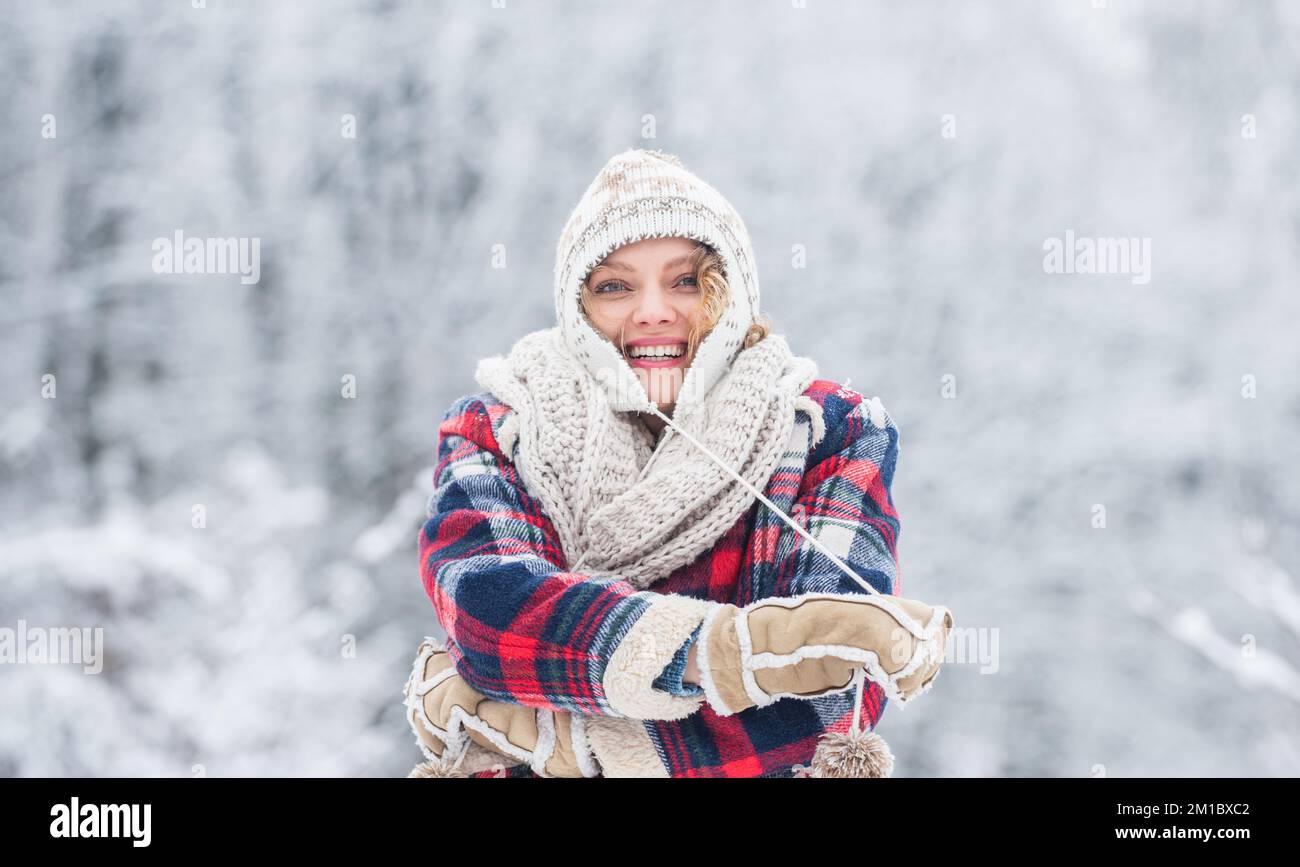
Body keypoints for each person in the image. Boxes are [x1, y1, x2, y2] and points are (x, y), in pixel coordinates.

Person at [402, 148, 954, 778]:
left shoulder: (828, 430)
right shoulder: (501, 428)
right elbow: (490, 618)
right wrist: (721, 656)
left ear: (731, 290)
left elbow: (826, 703)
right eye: (614, 286)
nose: (653, 311)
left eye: (686, 280)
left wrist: (557, 742)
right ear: (576, 308)